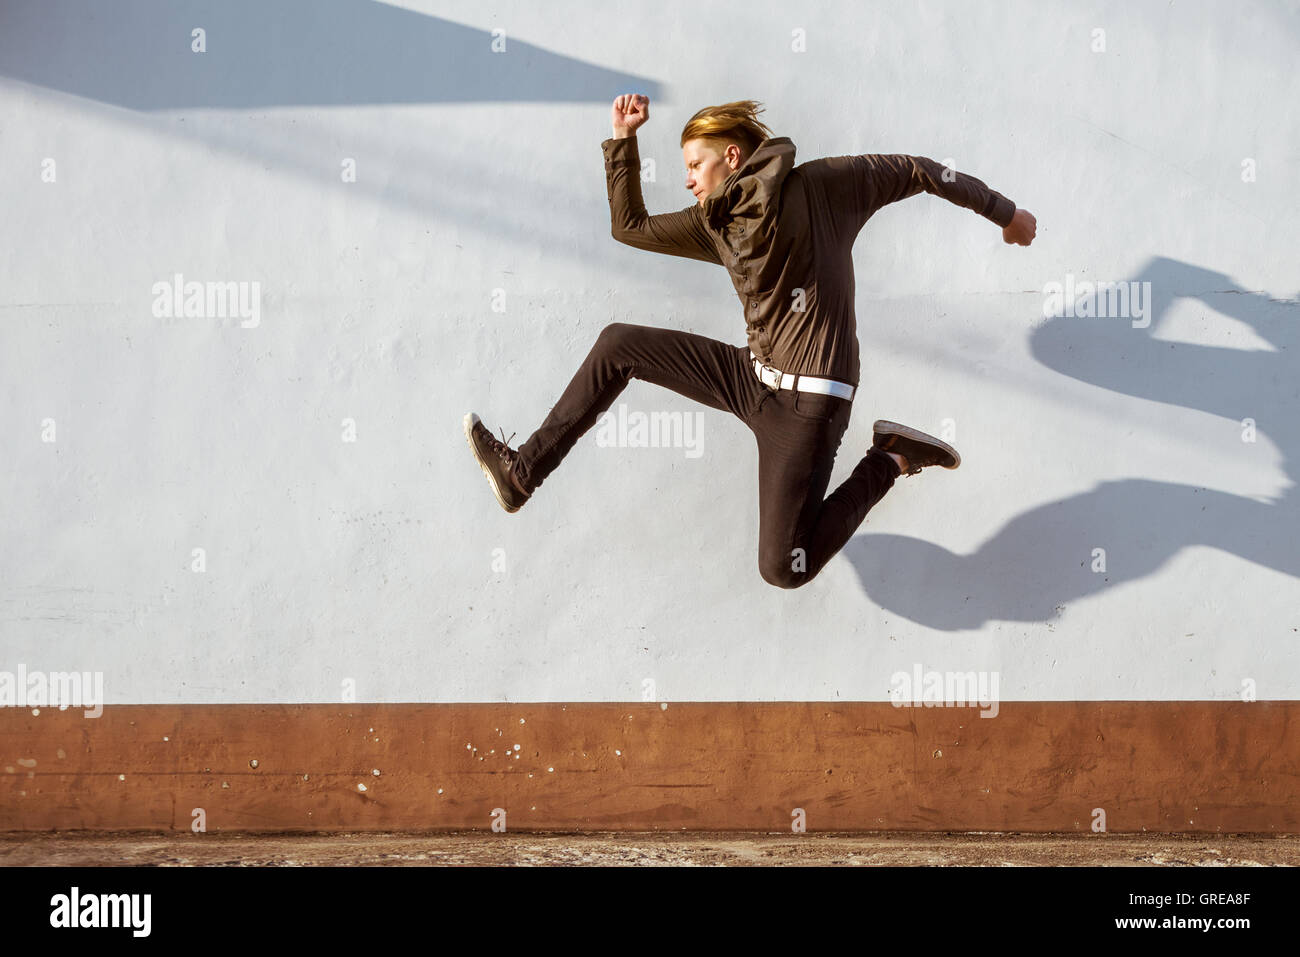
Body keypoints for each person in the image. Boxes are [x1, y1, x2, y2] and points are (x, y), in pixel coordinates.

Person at [465, 94, 1036, 588]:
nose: (688, 180)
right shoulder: (712, 222)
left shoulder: (824, 187)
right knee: (619, 344)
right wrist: (621, 139)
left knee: (784, 568)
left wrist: (1004, 213)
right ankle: (521, 477)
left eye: (694, 165)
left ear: (731, 157)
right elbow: (629, 227)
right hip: (751, 379)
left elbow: (918, 170)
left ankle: (891, 458)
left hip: (810, 405)